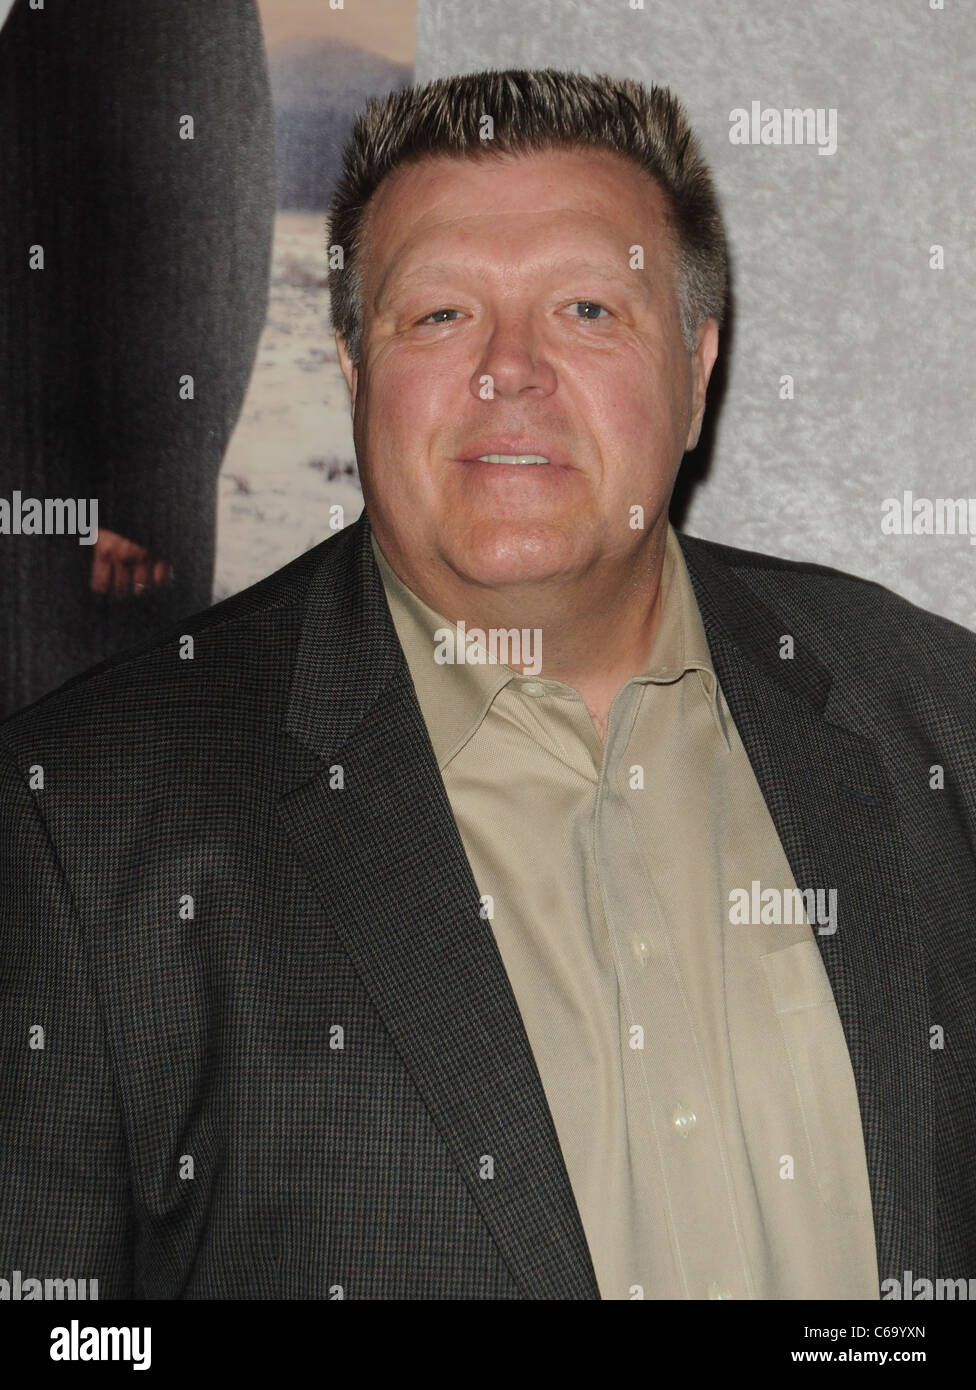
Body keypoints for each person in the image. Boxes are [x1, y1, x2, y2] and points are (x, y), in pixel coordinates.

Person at [1, 68, 974, 1301]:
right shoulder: (80, 825)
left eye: (586, 308)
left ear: (696, 368)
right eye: (440, 314)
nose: (510, 368)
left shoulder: (939, 718)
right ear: (354, 370)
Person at [0, 0, 275, 718]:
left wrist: (148, 503)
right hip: (39, 501)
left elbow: (207, 254)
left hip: (101, 532)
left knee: (100, 756)